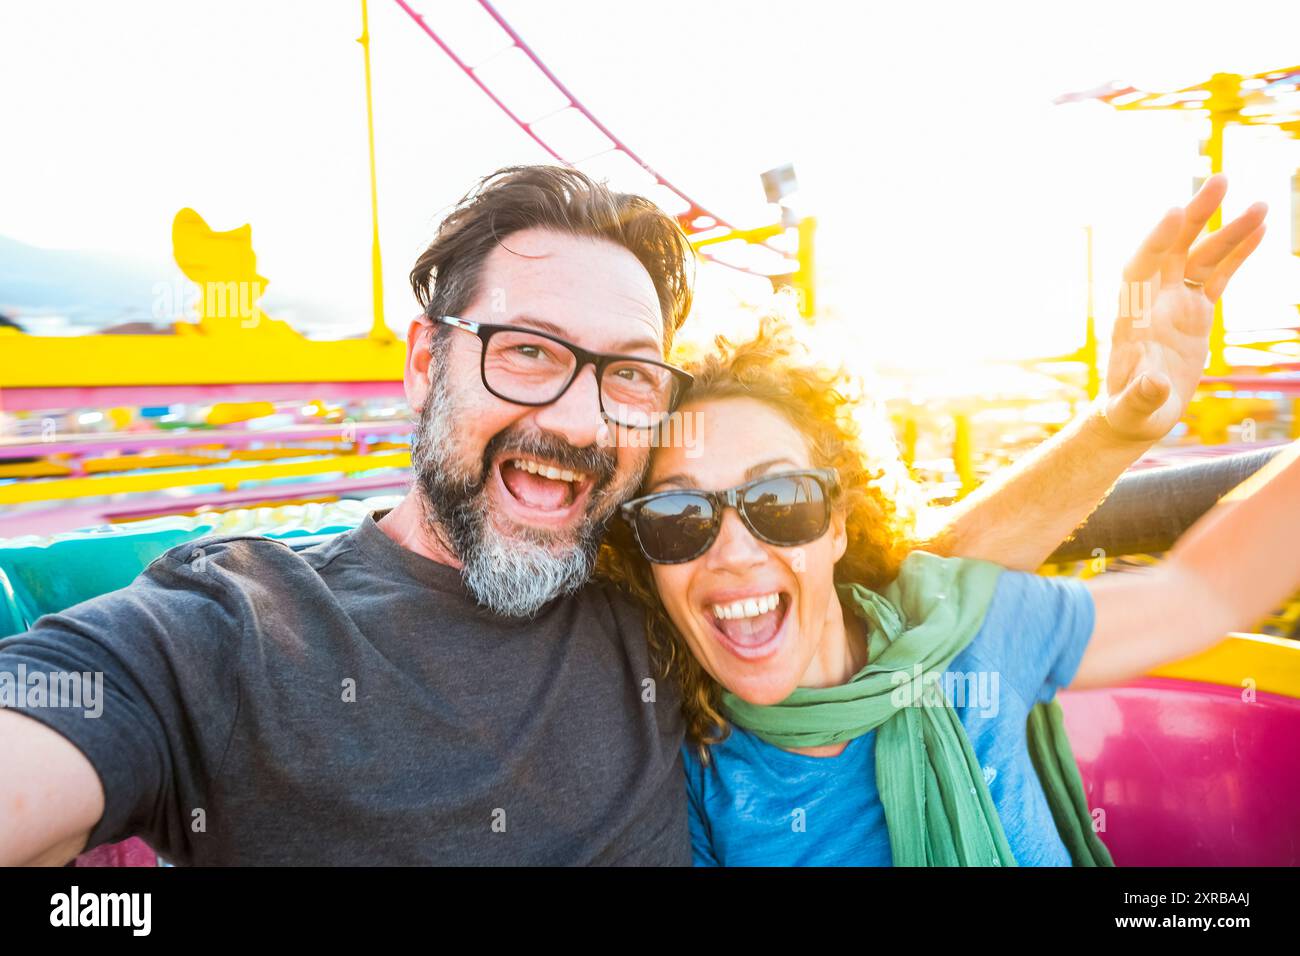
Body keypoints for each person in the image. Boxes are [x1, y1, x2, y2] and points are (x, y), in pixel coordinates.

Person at [0, 165, 1266, 865]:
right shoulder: (225, 629)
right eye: (529, 352)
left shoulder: (650, 592)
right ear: (422, 359)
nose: (580, 418)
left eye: (624, 374)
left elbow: (894, 586)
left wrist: (1122, 423)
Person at [602, 307, 1297, 866]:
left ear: (838, 524)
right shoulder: (689, 771)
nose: (733, 550)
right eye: (677, 517)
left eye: (780, 501)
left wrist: (1125, 419)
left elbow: (1203, 594)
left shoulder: (968, 629)